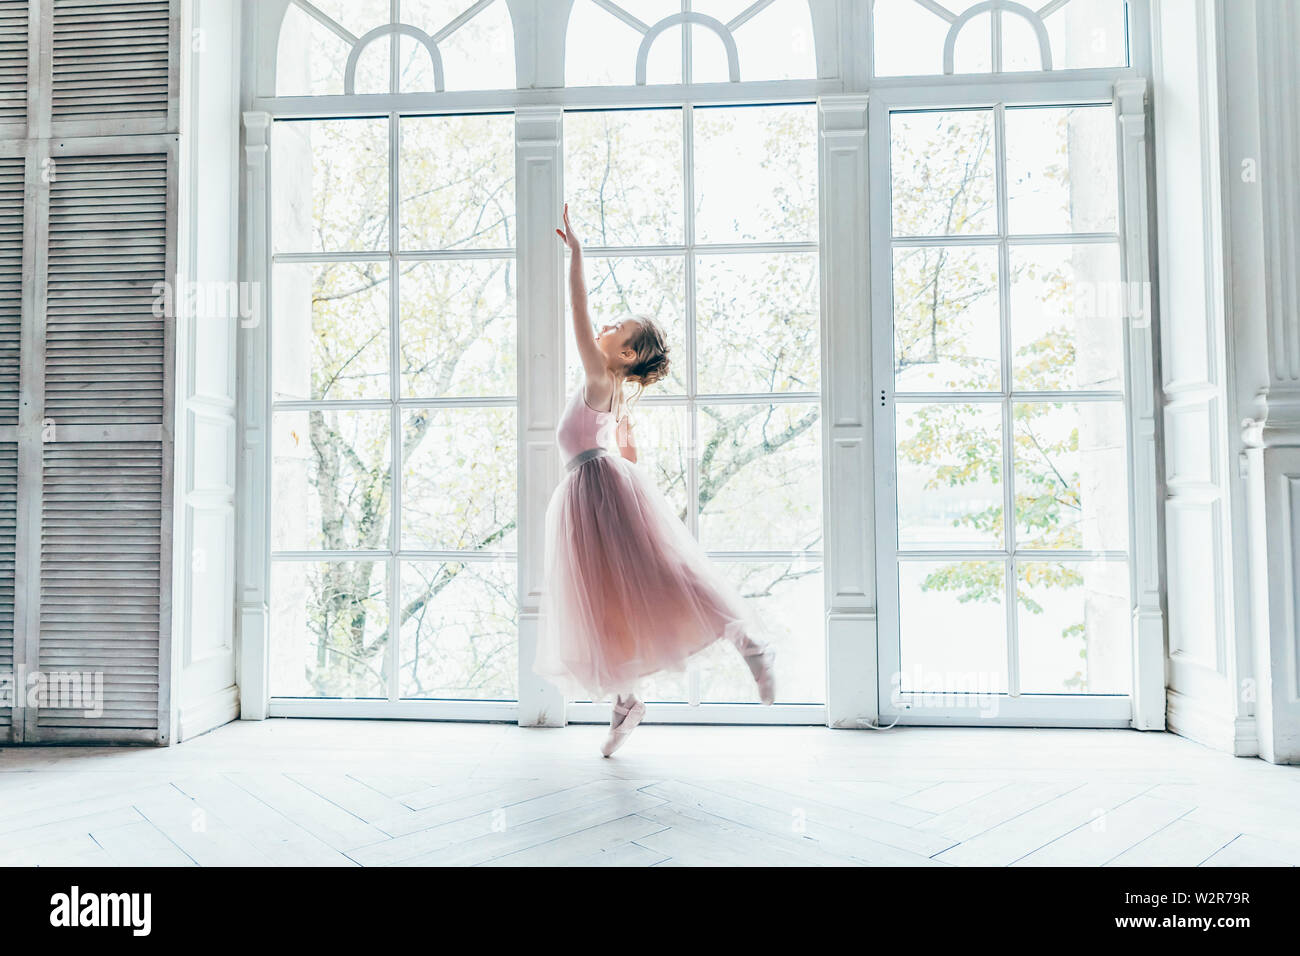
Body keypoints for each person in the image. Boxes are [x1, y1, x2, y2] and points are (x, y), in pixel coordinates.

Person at [534, 203, 777, 757]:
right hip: (600, 491)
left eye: (618, 327)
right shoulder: (615, 393)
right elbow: (627, 444)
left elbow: (577, 311)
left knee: (632, 589)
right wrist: (635, 500)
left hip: (593, 488)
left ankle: (737, 635)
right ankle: (628, 701)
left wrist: (577, 256)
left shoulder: (599, 376)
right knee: (613, 597)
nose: (605, 323)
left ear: (623, 354)